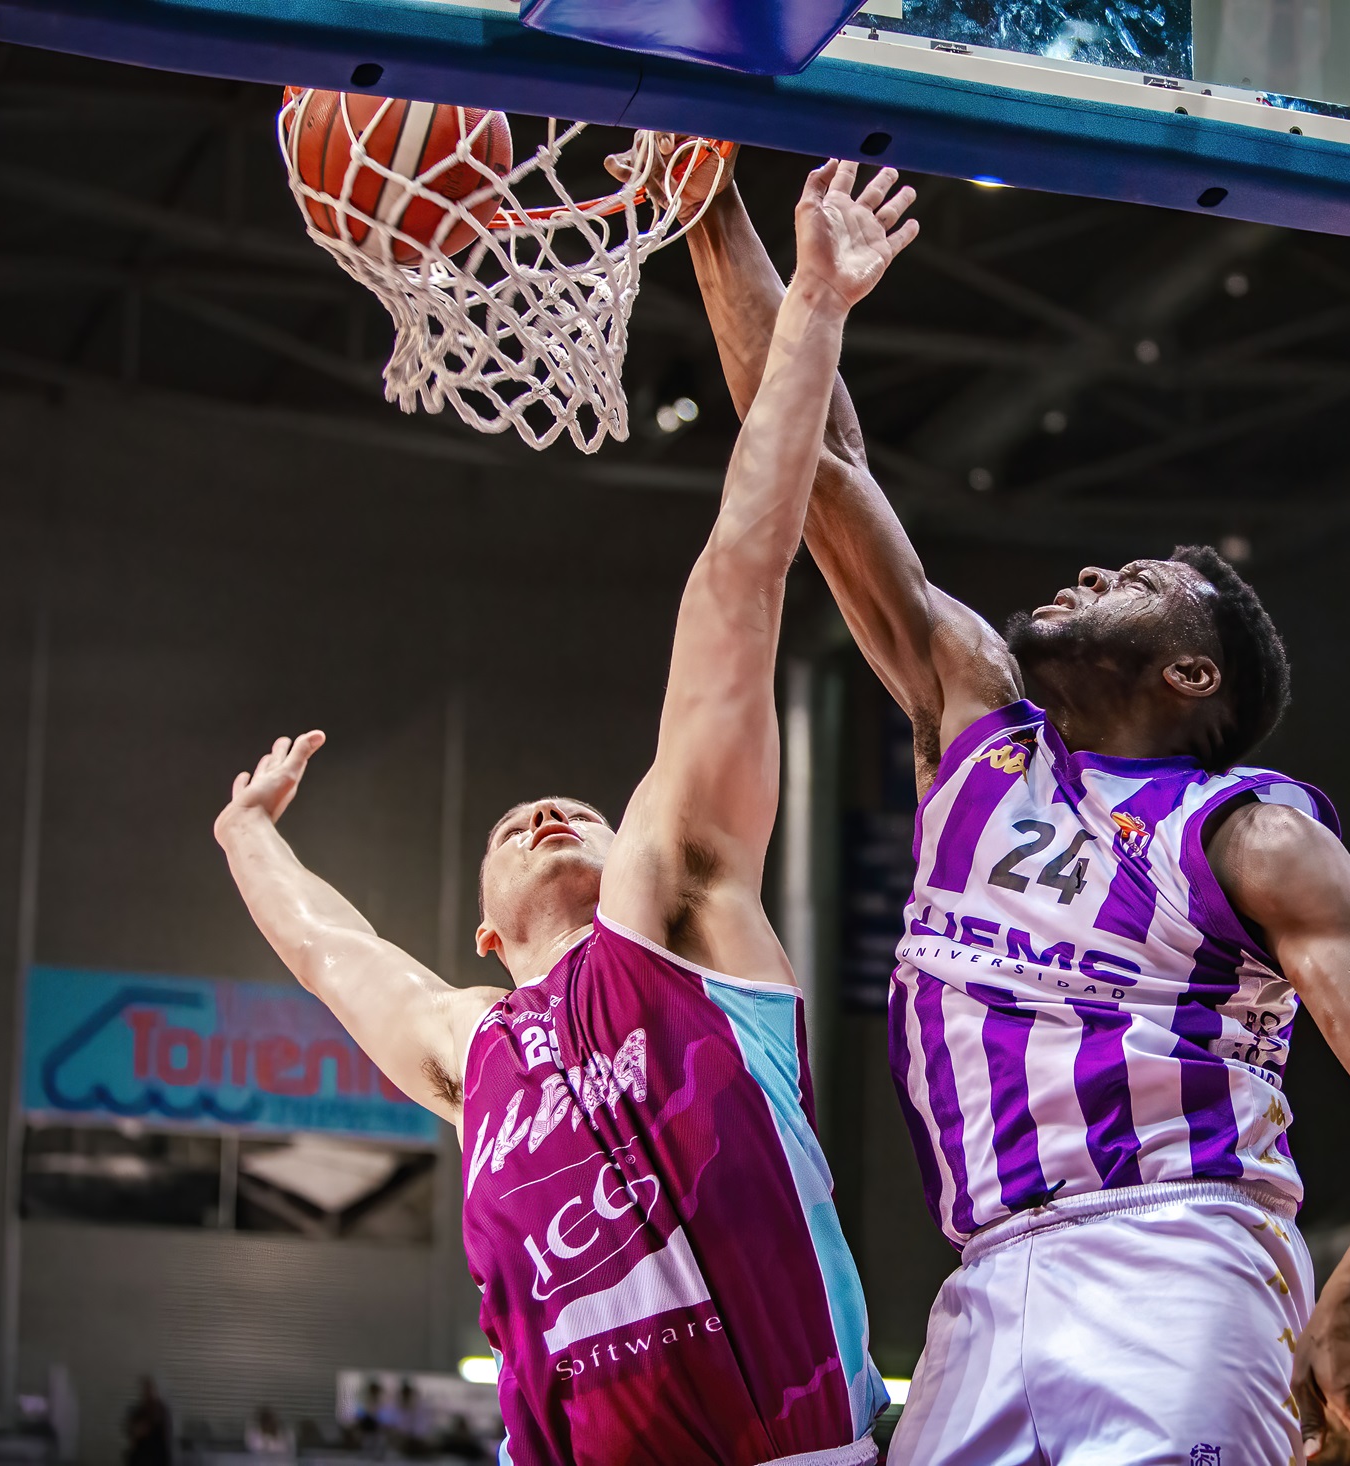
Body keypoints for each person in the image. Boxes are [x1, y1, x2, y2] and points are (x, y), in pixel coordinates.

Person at [685, 157, 1350, 1466]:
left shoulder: (1247, 832)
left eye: (1145, 577)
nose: (1098, 566)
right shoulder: (973, 721)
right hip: (984, 1274)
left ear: (1191, 674)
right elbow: (815, 459)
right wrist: (708, 202)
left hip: (1178, 1244)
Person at [213, 157, 916, 1466]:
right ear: (483, 932)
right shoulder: (472, 1051)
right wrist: (246, 830)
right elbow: (332, 954)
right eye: (510, 827)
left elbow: (736, 582)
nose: (545, 809)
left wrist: (815, 303)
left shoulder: (677, 906)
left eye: (576, 809)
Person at [123, 1377, 171, 1466]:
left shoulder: (160, 1410)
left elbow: (160, 1431)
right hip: (144, 1453)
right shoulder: (139, 1410)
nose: (147, 1393)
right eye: (146, 1390)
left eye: (149, 1389)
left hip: (154, 1454)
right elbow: (133, 1433)